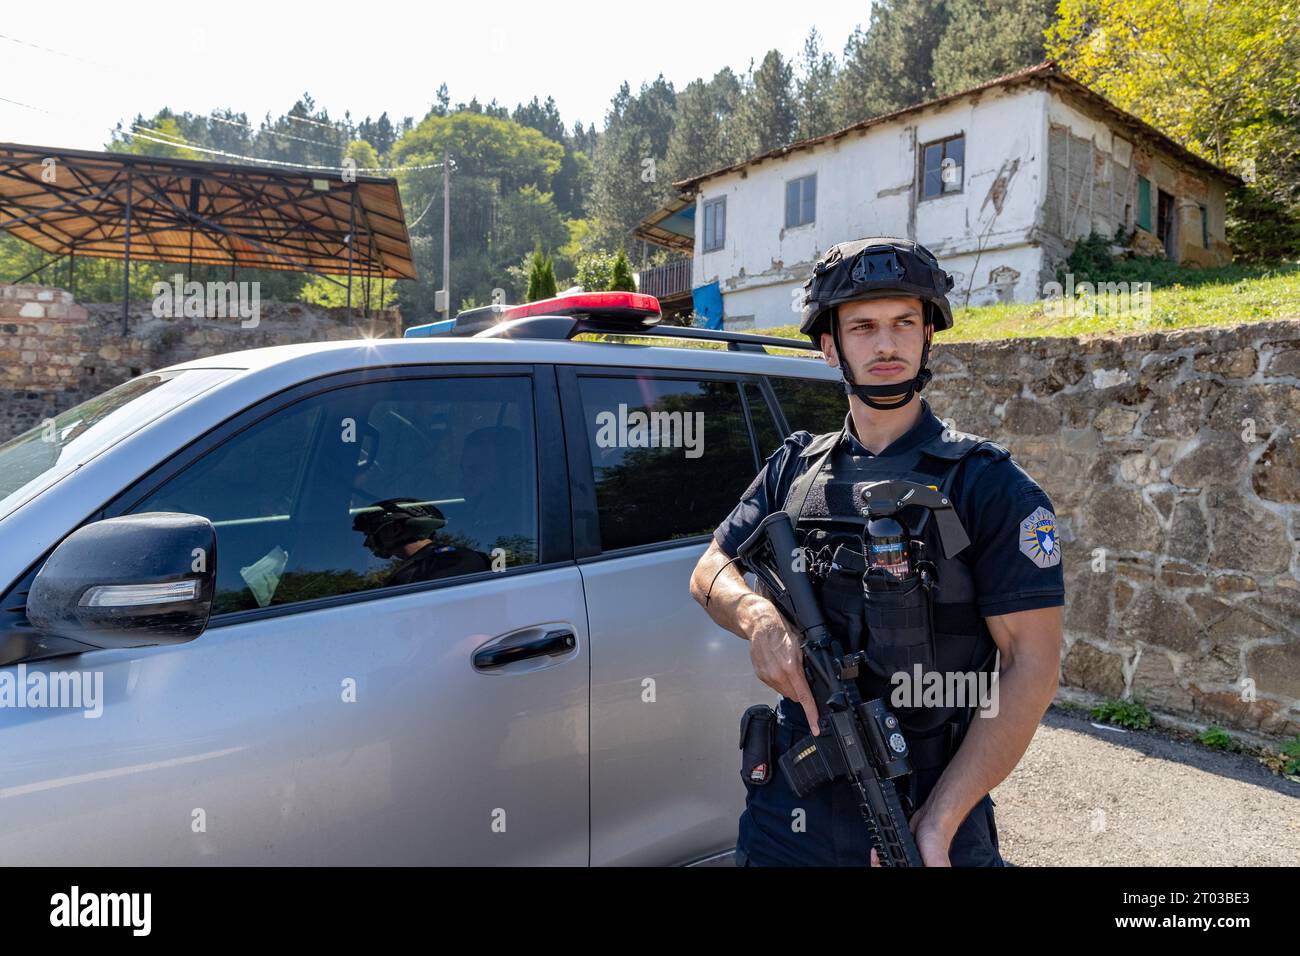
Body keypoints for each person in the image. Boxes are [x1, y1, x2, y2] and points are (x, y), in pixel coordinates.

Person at [689, 237, 1064, 867]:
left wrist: (939, 823)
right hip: (791, 807)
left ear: (928, 338)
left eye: (903, 324)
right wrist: (758, 619)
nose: (886, 345)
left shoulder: (987, 484)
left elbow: (1032, 664)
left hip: (927, 798)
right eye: (863, 327)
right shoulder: (795, 470)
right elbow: (710, 569)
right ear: (830, 344)